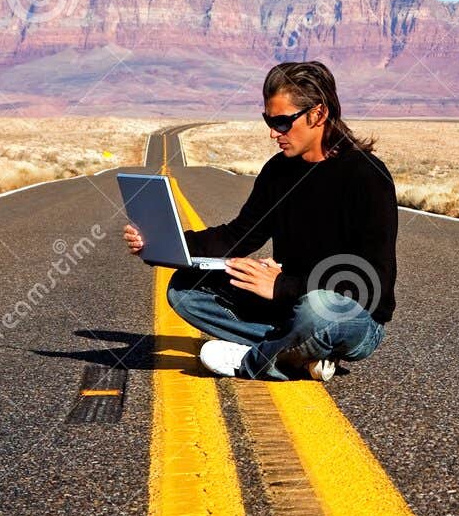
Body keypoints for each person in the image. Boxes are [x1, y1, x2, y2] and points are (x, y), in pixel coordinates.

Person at [122, 61, 397, 381]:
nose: (272, 133)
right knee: (184, 290)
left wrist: (283, 285)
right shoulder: (277, 173)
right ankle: (298, 354)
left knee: (319, 309)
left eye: (281, 122)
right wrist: (164, 243)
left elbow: (373, 281)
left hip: (351, 314)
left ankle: (253, 362)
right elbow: (237, 236)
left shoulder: (366, 176)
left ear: (318, 115)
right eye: (269, 120)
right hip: (288, 302)